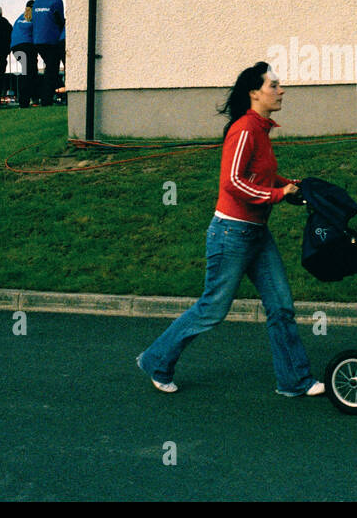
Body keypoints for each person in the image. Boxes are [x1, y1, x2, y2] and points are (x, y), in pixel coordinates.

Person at [136, 62, 323, 397]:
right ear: (254, 93)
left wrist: (290, 185)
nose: (281, 90)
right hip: (231, 234)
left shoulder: (261, 129)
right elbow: (233, 182)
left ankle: (294, 380)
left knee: (280, 306)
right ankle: (156, 360)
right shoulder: (245, 129)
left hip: (257, 235)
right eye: (274, 85)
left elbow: (259, 175)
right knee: (212, 309)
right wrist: (277, 194)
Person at [32, 0, 64, 106]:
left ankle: (51, 94)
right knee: (52, 70)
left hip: (38, 40)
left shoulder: (37, 0)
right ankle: (47, 99)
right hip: (51, 40)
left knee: (50, 69)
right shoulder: (57, 1)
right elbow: (59, 19)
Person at [10, 0, 36, 108]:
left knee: (26, 71)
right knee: (28, 72)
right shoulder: (34, 17)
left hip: (16, 47)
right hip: (27, 46)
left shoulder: (20, 17)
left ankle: (25, 99)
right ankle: (25, 100)